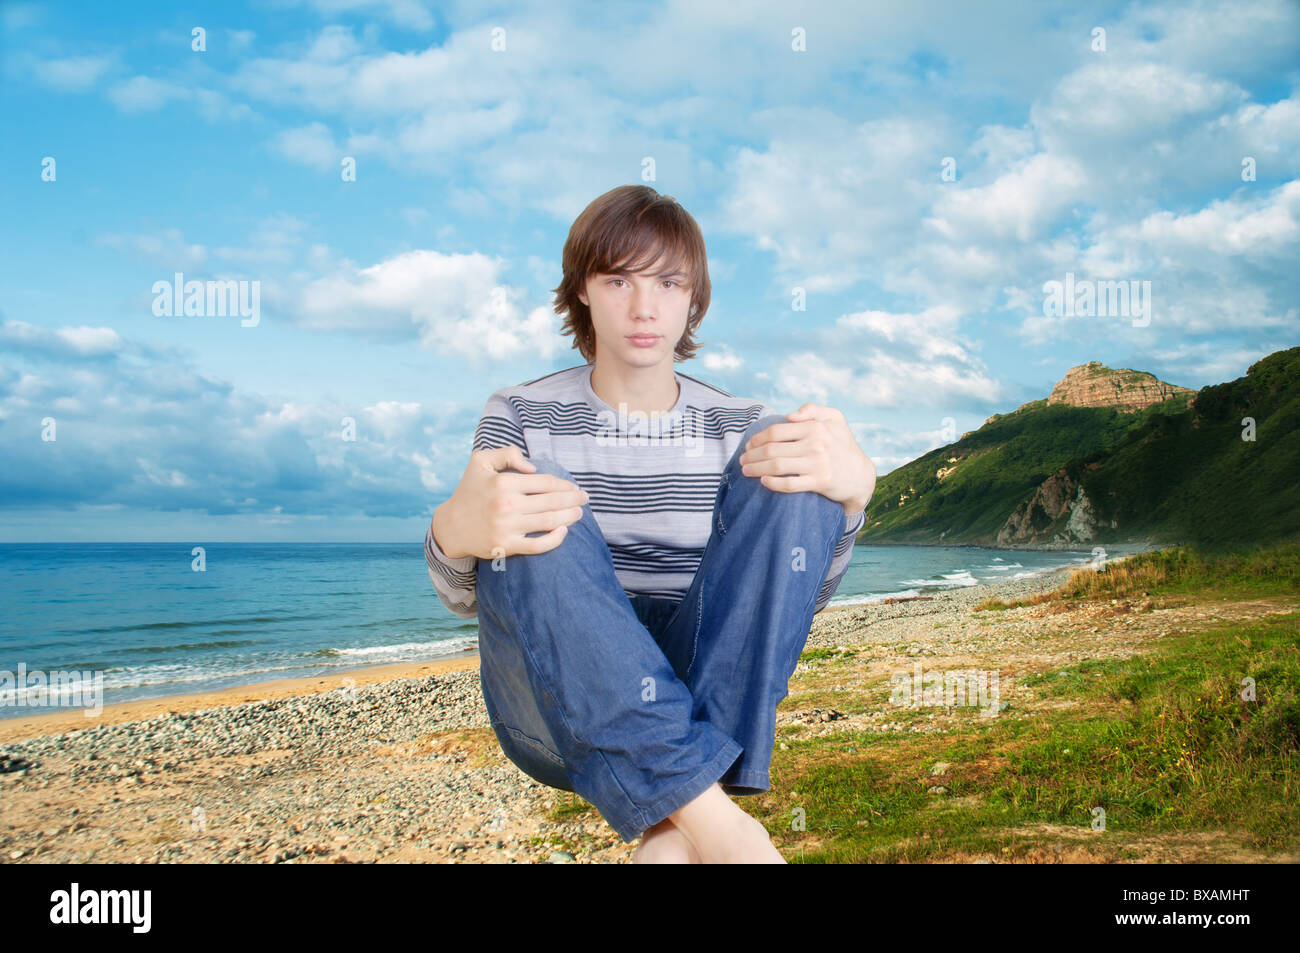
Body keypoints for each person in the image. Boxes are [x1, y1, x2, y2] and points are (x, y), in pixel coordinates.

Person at [425, 184, 876, 863]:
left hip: (704, 689)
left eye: (668, 282)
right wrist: (450, 530)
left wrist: (852, 502)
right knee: (538, 506)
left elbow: (789, 603)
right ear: (582, 288)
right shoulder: (519, 413)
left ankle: (676, 828)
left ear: (694, 297)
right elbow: (467, 596)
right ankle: (730, 833)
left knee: (795, 450)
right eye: (618, 279)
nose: (644, 308)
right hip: (555, 704)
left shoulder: (740, 426)